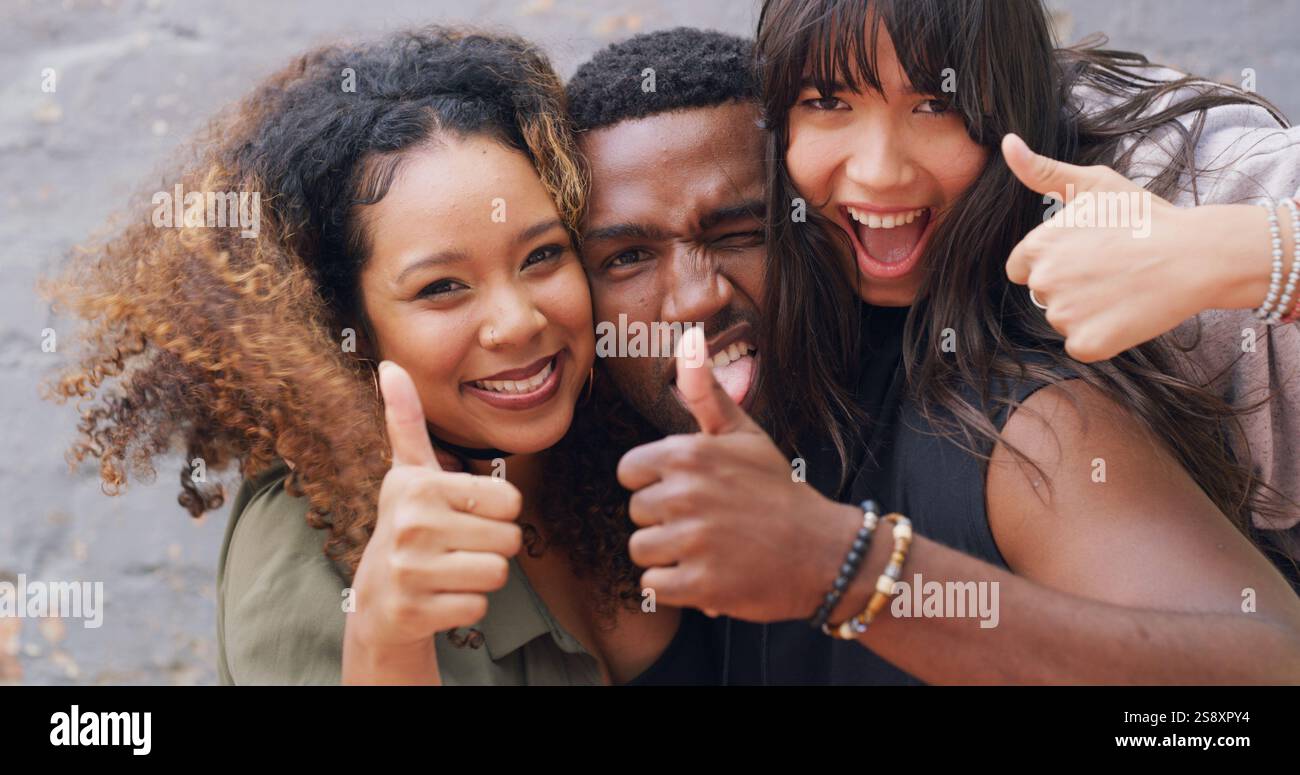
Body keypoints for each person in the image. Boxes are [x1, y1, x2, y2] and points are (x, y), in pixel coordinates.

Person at [607, 4, 1300, 684]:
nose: (879, 171)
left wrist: (847, 569)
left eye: (737, 232)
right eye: (625, 256)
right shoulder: (564, 435)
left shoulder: (1019, 410)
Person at [45, 26, 716, 685]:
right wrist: (385, 640)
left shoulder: (622, 425)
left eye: (542, 255)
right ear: (348, 326)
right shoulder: (319, 552)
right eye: (441, 288)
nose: (517, 323)